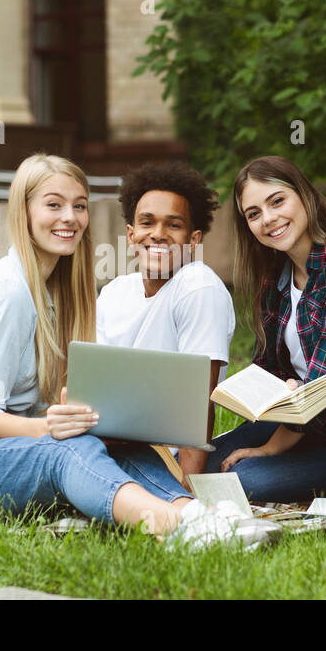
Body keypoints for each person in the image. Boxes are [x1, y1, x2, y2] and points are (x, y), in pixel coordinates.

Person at [0, 153, 193, 534]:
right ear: (24, 212)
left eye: (79, 206)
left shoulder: (59, 293)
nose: (70, 217)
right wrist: (48, 428)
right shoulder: (7, 290)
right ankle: (174, 526)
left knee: (120, 444)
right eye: (54, 204)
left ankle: (197, 512)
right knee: (68, 448)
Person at [204, 155, 326, 502]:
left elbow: (325, 387)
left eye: (277, 201)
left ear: (305, 196)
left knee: (241, 479)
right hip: (295, 425)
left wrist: (269, 450)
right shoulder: (276, 275)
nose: (268, 219)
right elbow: (269, 368)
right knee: (202, 462)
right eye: (254, 214)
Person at [95, 161, 235, 480]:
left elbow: (198, 402)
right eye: (147, 223)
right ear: (131, 235)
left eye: (173, 225)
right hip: (109, 444)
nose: (158, 234)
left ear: (193, 239)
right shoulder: (114, 292)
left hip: (164, 459)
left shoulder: (197, 286)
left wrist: (187, 493)